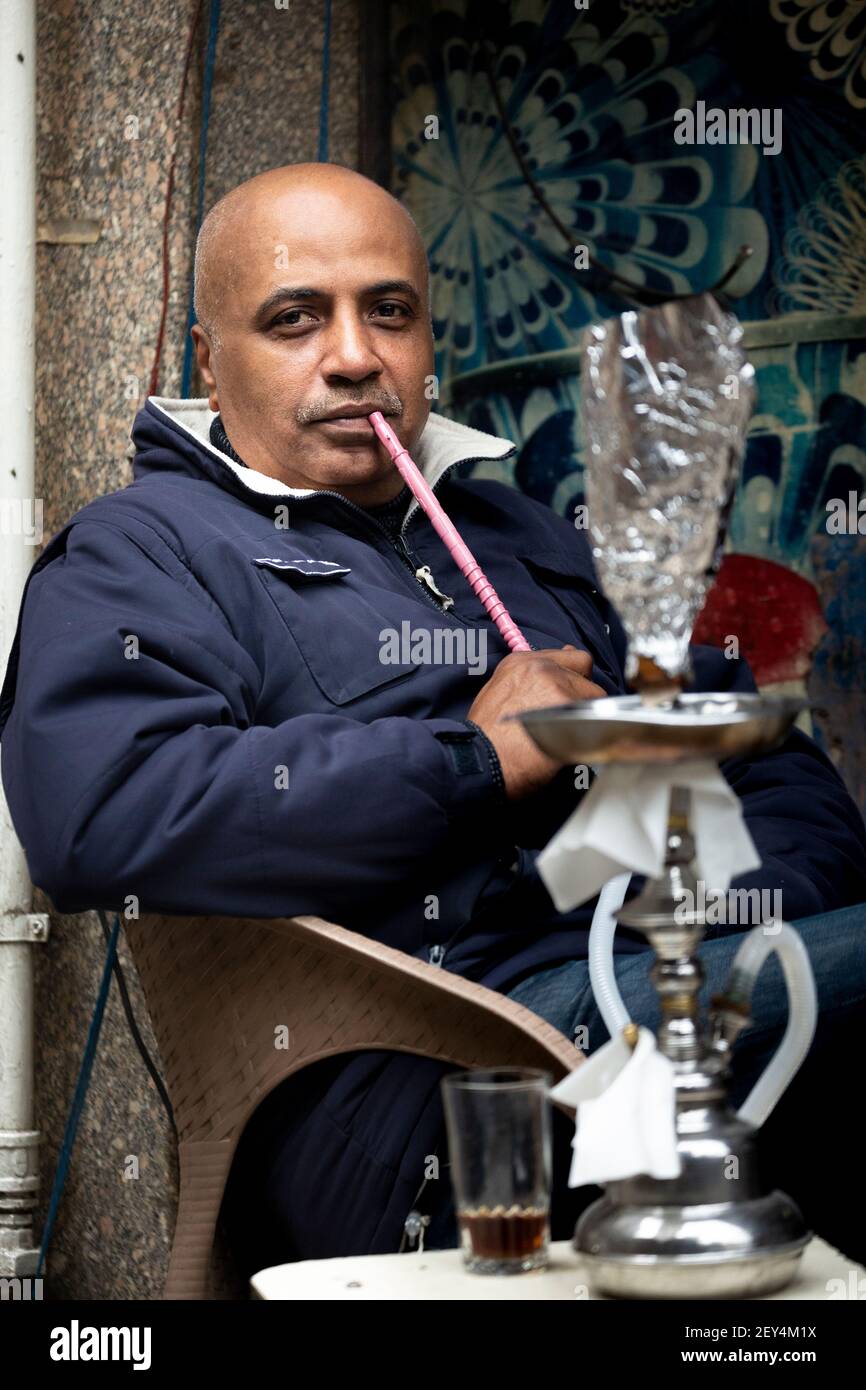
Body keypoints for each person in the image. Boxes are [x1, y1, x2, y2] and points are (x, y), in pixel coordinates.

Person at [1, 163, 864, 1277]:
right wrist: (482, 757)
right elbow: (104, 813)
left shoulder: (521, 537)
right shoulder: (143, 552)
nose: (356, 355)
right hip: (435, 1084)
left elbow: (762, 750)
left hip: (666, 992)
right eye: (294, 318)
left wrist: (740, 921)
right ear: (210, 362)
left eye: (389, 312)